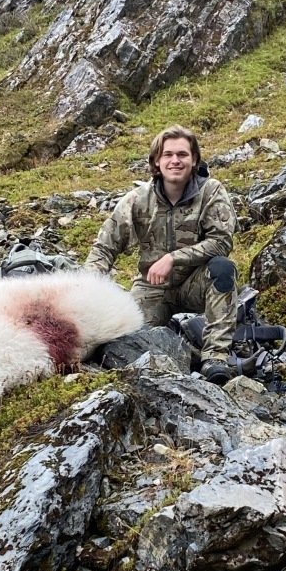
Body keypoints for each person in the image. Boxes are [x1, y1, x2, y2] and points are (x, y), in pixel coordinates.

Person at [85, 125, 239, 383]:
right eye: (168, 155)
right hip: (151, 286)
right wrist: (86, 288)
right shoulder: (137, 199)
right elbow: (104, 247)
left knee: (223, 269)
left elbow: (221, 242)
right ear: (156, 161)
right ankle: (187, 354)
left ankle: (215, 357)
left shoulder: (211, 191)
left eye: (182, 154)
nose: (175, 160)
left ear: (194, 160)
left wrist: (172, 258)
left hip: (195, 283)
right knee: (124, 341)